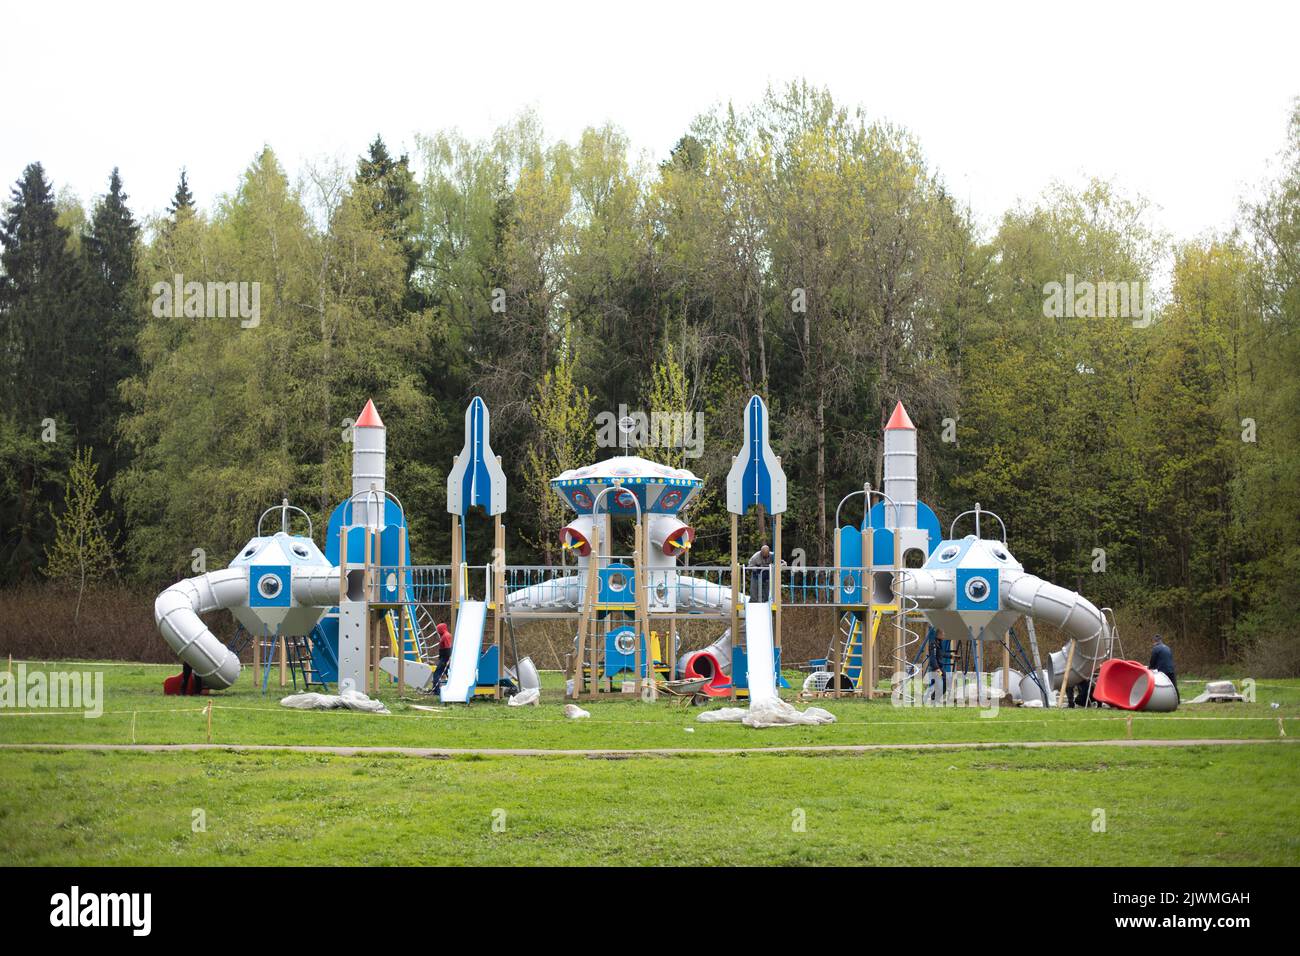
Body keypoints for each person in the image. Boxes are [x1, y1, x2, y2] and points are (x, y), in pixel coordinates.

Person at [431, 622, 453, 689]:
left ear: (441, 629)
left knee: (437, 673)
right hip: (444, 657)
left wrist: (447, 660)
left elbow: (448, 648)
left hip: (445, 658)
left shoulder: (446, 636)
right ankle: (452, 687)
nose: (438, 631)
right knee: (448, 673)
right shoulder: (445, 635)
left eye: (438, 630)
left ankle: (436, 690)